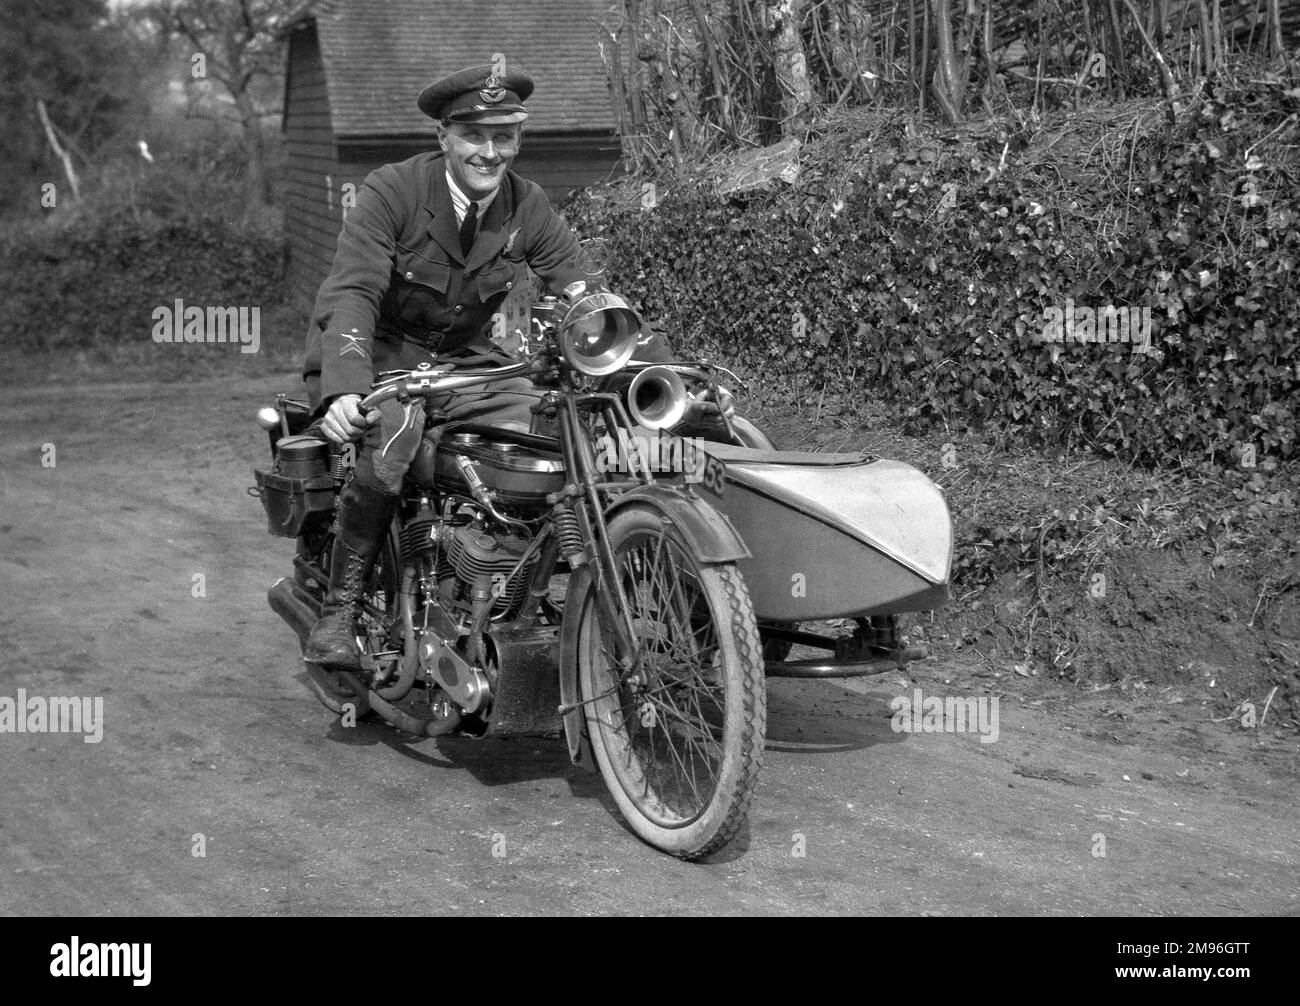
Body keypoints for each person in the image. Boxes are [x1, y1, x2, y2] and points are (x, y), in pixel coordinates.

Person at [299, 63, 592, 671]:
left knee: (546, 431)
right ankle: (341, 609)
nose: (490, 153)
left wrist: (630, 347)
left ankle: (509, 583)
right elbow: (352, 294)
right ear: (444, 137)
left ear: (517, 140)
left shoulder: (526, 204)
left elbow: (582, 288)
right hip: (382, 355)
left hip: (465, 363)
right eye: (474, 137)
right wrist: (345, 392)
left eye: (504, 138)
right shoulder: (393, 191)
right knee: (394, 439)